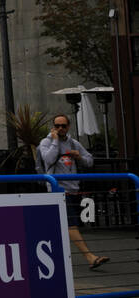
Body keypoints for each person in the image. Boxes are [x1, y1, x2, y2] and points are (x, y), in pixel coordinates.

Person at [37, 113, 108, 269]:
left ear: (68, 126)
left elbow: (90, 161)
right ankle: (90, 257)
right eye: (57, 126)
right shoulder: (46, 142)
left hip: (73, 189)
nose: (60, 128)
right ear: (53, 127)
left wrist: (79, 157)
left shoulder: (74, 143)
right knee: (71, 225)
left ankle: (42, 257)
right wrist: (55, 141)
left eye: (63, 125)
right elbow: (48, 159)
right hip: (57, 190)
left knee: (57, 227)